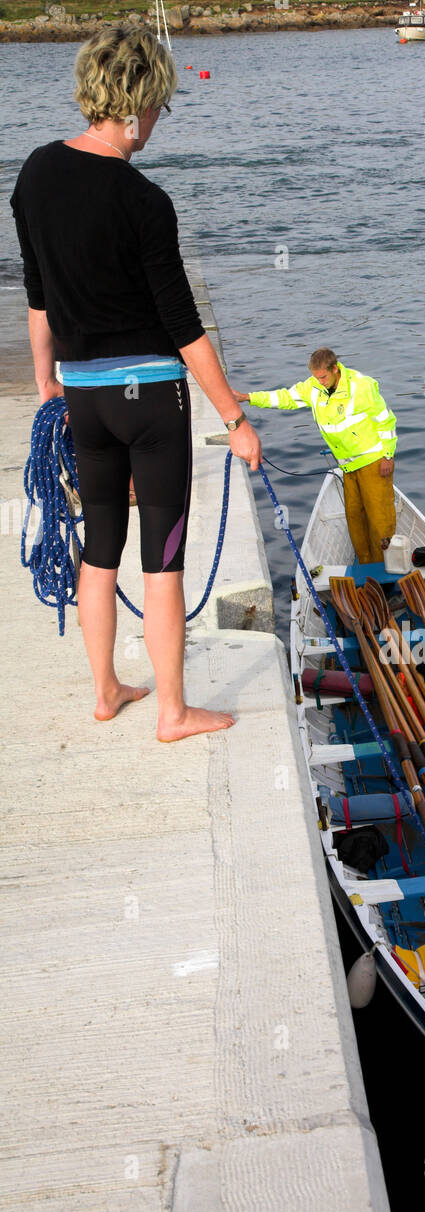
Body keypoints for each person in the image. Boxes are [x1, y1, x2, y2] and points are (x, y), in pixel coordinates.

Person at [10, 25, 262, 742]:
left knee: (98, 547)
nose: (156, 122)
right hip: (152, 403)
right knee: (163, 556)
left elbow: (38, 299)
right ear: (137, 102)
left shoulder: (34, 174)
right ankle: (174, 714)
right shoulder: (144, 200)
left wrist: (47, 386)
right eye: (158, 107)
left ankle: (105, 690)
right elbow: (184, 330)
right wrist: (236, 422)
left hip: (83, 398)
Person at [234, 348, 397, 564]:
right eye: (315, 377)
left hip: (373, 461)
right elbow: (285, 397)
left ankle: (386, 567)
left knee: (379, 517)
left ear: (335, 369)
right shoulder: (313, 387)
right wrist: (247, 398)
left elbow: (385, 420)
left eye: (323, 377)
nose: (319, 381)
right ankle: (366, 567)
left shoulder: (361, 386)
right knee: (354, 517)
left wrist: (387, 456)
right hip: (348, 466)